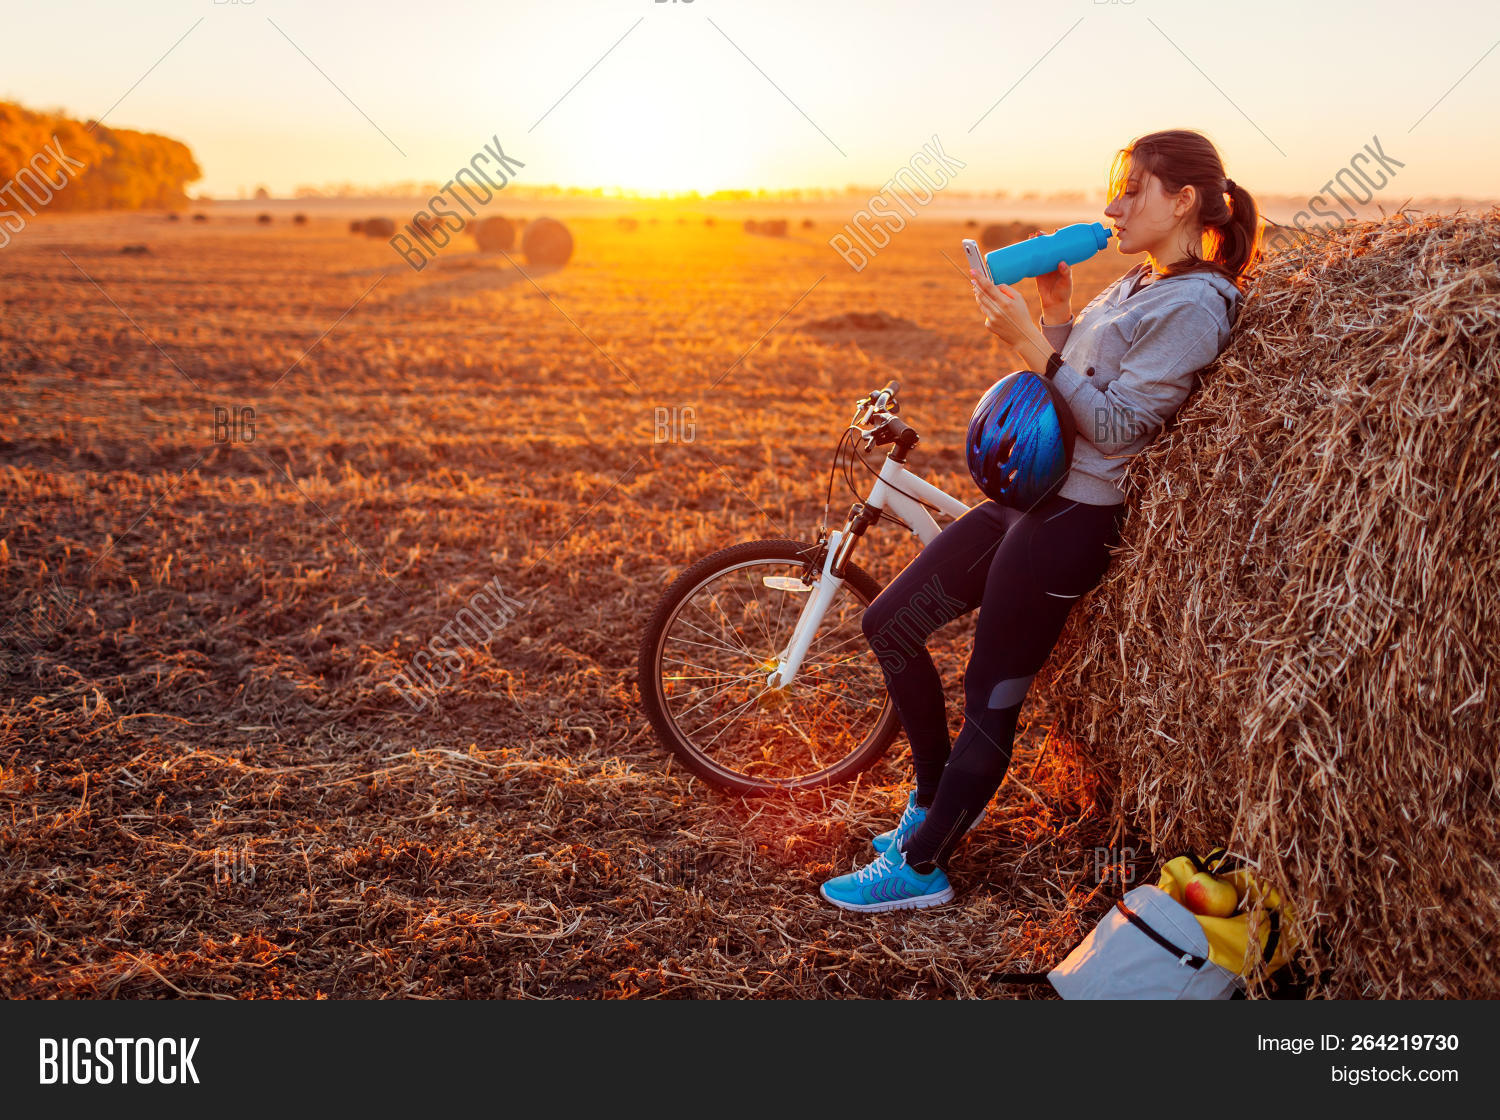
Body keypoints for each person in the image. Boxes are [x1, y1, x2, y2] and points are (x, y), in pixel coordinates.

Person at [820, 128, 1260, 912]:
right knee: (890, 622)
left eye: (1133, 189)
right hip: (1030, 500)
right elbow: (1076, 381)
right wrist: (1056, 316)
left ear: (1184, 200)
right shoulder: (1137, 283)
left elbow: (1124, 426)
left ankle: (923, 867)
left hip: (1072, 520)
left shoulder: (1198, 302)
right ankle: (931, 804)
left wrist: (1031, 345)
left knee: (991, 693)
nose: (1113, 205)